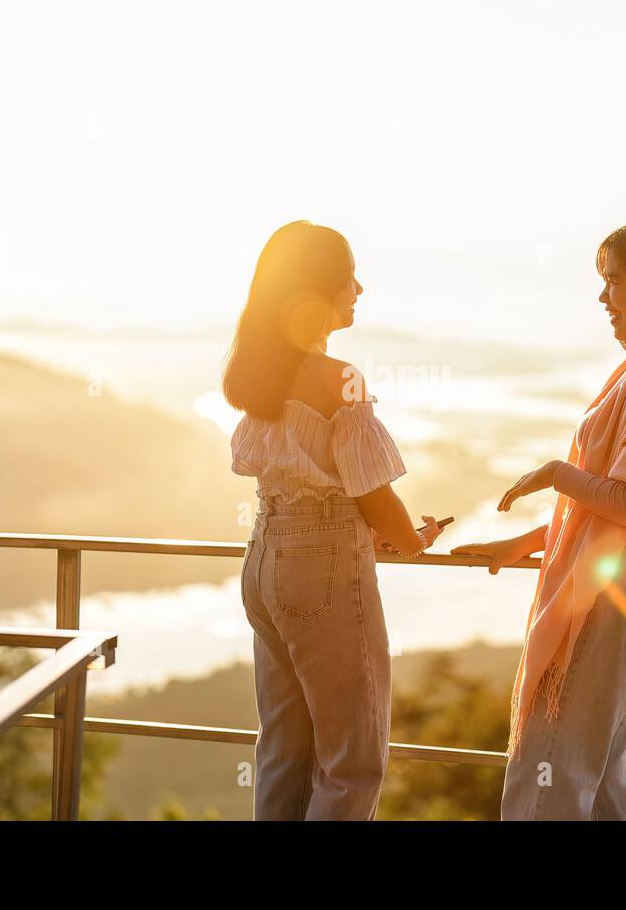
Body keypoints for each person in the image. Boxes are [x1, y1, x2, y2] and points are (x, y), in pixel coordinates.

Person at [452, 212, 626, 820]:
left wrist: (556, 473)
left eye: (615, 279)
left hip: (611, 593)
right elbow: (612, 512)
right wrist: (527, 542)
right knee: (595, 779)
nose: (603, 297)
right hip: (612, 581)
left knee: (550, 776)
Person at [223, 219, 444, 819]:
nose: (360, 289)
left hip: (264, 560)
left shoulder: (262, 378)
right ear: (318, 288)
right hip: (320, 570)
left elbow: (308, 485)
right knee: (353, 762)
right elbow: (369, 490)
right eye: (349, 276)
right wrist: (412, 540)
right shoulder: (338, 377)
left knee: (284, 752)